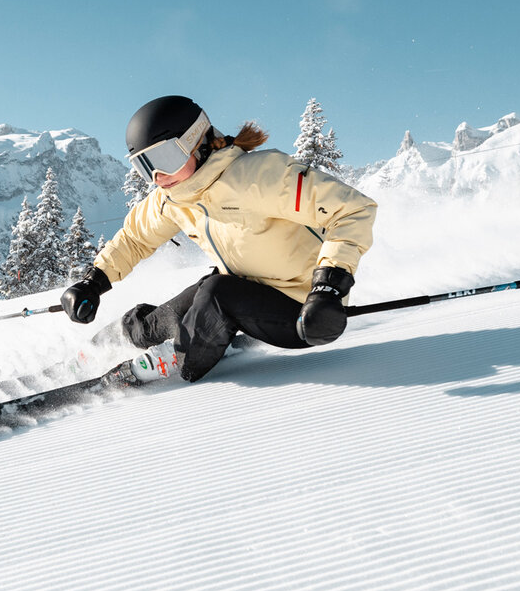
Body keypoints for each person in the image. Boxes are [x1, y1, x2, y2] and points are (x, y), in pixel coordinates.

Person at [60, 95, 378, 382]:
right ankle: (104, 348)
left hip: (305, 312)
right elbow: (134, 239)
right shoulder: (173, 198)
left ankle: (172, 362)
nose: (158, 177)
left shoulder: (258, 176)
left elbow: (352, 210)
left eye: (165, 158)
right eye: (145, 167)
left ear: (196, 142)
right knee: (172, 313)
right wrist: (92, 281)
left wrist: (329, 288)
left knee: (216, 292)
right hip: (245, 289)